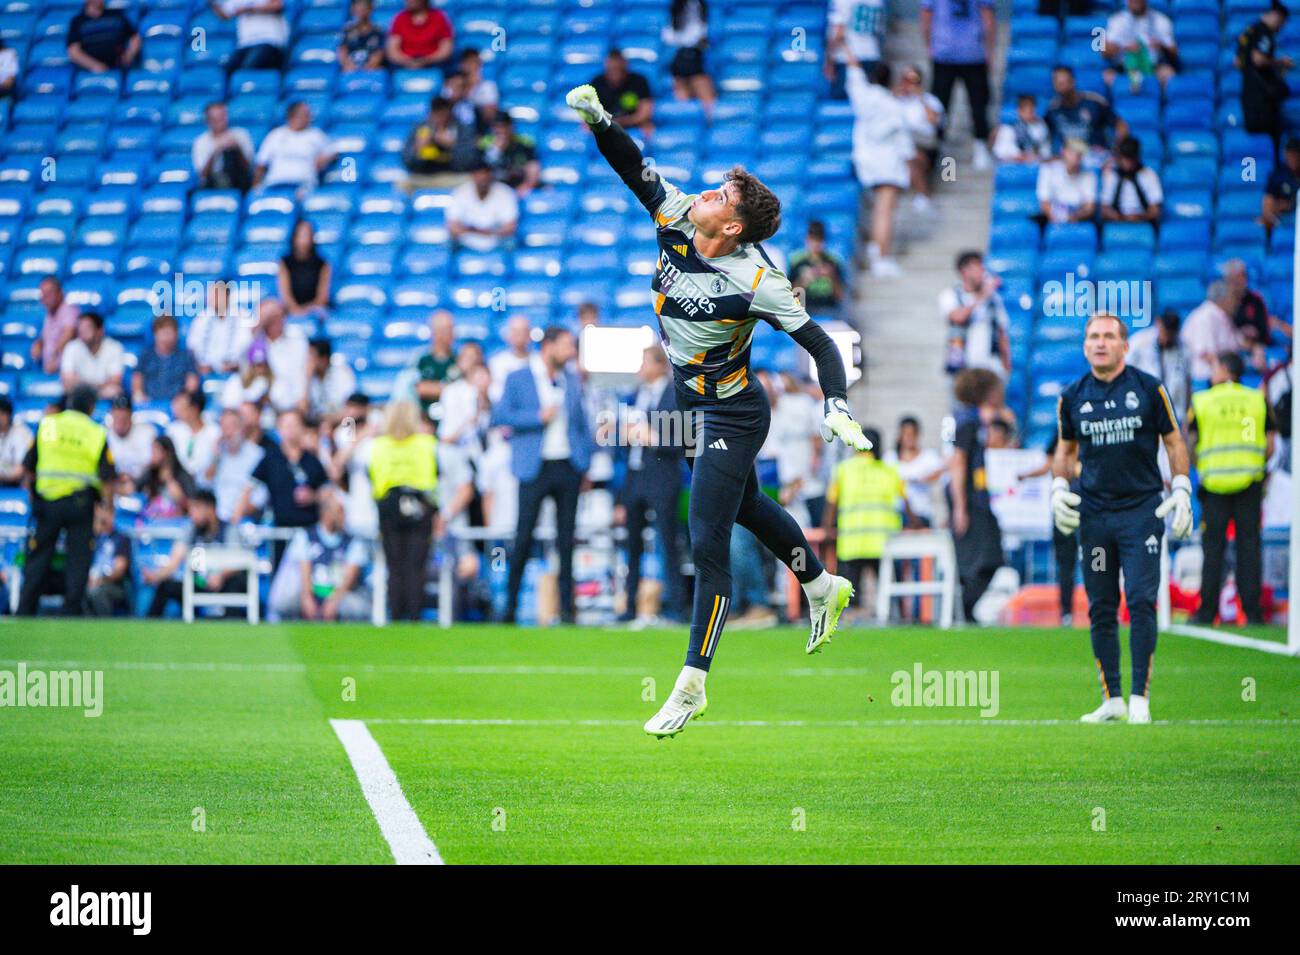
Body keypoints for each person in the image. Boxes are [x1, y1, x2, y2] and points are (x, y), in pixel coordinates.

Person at [566, 84, 870, 737]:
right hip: (685, 402)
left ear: (731, 226)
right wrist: (600, 121)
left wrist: (836, 400)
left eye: (722, 196)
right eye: (716, 187)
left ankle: (692, 682)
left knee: (708, 539)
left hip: (733, 413)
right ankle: (821, 586)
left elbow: (818, 340)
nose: (706, 192)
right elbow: (632, 164)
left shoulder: (757, 280)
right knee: (746, 507)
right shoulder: (676, 215)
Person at [1051, 313, 1193, 724]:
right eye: (1093, 336)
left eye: (1109, 336)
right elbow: (1065, 451)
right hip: (1095, 518)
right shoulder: (1072, 395)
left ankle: (1140, 700)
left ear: (1124, 346)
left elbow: (1173, 441)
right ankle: (1112, 698)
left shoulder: (1149, 390)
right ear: (1084, 345)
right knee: (1100, 606)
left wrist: (1181, 485)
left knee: (1142, 600)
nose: (1100, 343)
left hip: (1141, 513)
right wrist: (1059, 487)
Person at [492, 326, 594, 625]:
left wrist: (584, 463)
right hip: (533, 467)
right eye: (565, 345)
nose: (571, 352)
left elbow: (581, 424)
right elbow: (500, 416)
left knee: (566, 541)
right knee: (523, 537)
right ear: (548, 346)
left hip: (567, 466)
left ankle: (566, 611)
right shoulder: (518, 377)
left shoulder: (572, 379)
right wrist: (535, 418)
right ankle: (508, 609)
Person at [1186, 352, 1274, 626]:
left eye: (1214, 367)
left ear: (1225, 369)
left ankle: (1207, 611)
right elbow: (1269, 444)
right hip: (1249, 484)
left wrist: (1206, 466)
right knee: (1249, 548)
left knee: (1213, 550)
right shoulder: (1256, 400)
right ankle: (1253, 612)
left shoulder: (1203, 401)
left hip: (1214, 486)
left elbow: (1190, 443)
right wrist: (1251, 465)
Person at [18, 386, 116, 616]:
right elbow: (107, 477)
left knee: (39, 555)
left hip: (48, 501)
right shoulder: (96, 432)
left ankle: (25, 608)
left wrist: (34, 497)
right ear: (91, 407)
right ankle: (71, 610)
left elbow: (28, 467)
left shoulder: (48, 425)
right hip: (80, 503)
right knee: (78, 558)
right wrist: (107, 508)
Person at [615, 346, 686, 623]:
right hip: (634, 477)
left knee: (668, 542)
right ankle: (630, 606)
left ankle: (677, 606)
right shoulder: (634, 397)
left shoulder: (674, 396)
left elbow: (682, 441)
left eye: (644, 361)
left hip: (662, 478)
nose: (639, 368)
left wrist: (652, 437)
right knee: (631, 545)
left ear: (659, 365)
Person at [822, 426, 907, 612]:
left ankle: (852, 621)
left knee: (851, 596)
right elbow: (906, 506)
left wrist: (827, 529)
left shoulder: (843, 470)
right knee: (889, 589)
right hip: (883, 543)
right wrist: (915, 526)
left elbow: (831, 505)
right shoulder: (890, 471)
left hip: (852, 543)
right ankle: (899, 616)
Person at [369, 400, 438, 622]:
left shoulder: (379, 445)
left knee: (395, 566)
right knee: (416, 566)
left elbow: (375, 480)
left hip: (389, 506)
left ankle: (397, 615)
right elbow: (434, 478)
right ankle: (415, 616)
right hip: (420, 504)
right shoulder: (426, 443)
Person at [948, 369, 1008, 622]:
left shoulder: (976, 421)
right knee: (987, 556)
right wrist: (960, 506)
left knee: (987, 555)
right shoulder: (968, 422)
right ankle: (964, 607)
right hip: (971, 499)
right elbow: (959, 462)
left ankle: (966, 609)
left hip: (978, 497)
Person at [234, 409, 328, 569]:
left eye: (295, 425)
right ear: (279, 428)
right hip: (280, 532)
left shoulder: (312, 460)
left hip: (309, 532)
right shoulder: (271, 458)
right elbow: (250, 486)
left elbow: (327, 493)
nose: (290, 429)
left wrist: (313, 497)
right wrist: (236, 519)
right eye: (286, 425)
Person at [845, 54, 911, 277]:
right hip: (888, 163)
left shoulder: (863, 95)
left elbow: (853, 71)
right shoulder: (892, 105)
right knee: (885, 211)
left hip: (866, 162)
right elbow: (904, 142)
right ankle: (881, 258)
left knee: (878, 210)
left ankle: (875, 249)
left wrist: (846, 46)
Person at [142, 489, 244, 618]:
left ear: (211, 509)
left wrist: (221, 576)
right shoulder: (191, 530)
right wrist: (155, 576)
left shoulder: (229, 530)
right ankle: (151, 624)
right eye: (190, 509)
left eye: (196, 508)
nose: (191, 514)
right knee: (166, 586)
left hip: (224, 581)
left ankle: (230, 626)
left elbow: (239, 561)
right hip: (200, 581)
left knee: (236, 583)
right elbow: (174, 562)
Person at [274, 489, 372, 621]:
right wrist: (307, 597)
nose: (344, 517)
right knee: (283, 603)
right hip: (314, 593)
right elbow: (305, 572)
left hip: (340, 596)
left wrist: (334, 601)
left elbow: (350, 578)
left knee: (358, 608)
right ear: (326, 513)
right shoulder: (306, 536)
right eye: (340, 511)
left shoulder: (352, 542)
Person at [920, 0, 995, 170]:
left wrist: (929, 45)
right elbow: (988, 18)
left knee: (975, 103)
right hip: (958, 52)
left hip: (964, 53)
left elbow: (926, 16)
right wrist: (990, 50)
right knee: (943, 105)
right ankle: (942, 149)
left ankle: (978, 145)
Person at [940, 250, 1011, 380]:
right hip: (961, 364)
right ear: (964, 271)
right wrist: (982, 296)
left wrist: (1007, 364)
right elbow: (958, 317)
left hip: (990, 364)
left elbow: (1001, 331)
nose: (982, 271)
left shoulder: (994, 298)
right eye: (977, 267)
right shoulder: (951, 295)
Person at [1236, 1, 1293, 159]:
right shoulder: (1264, 32)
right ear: (1277, 17)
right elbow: (1258, 59)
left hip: (1249, 94)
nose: (1280, 27)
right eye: (1282, 22)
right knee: (1271, 138)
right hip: (1262, 98)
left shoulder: (1249, 30)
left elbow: (1238, 62)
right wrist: (1280, 62)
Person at [1044, 66, 1126, 161]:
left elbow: (1121, 126)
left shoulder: (1094, 102)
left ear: (1073, 81)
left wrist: (1116, 150)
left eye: (1064, 82)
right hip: (1070, 160)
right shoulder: (1053, 110)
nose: (1061, 86)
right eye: (1057, 83)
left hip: (1097, 158)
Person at [253, 102, 336, 192]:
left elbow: (333, 150)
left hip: (303, 186)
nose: (310, 117)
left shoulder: (316, 135)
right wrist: (255, 189)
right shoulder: (276, 135)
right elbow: (261, 164)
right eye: (306, 114)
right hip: (275, 185)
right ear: (292, 116)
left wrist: (326, 157)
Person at [201, 407, 265, 523]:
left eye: (233, 426)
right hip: (215, 519)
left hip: (245, 519)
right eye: (224, 427)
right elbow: (204, 485)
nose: (229, 432)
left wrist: (236, 516)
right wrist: (215, 458)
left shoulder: (257, 455)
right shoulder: (216, 453)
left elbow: (261, 496)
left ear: (242, 428)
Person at [1128, 308, 1191, 424]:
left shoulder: (1183, 348)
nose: (1167, 338)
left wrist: (1187, 411)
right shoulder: (1139, 343)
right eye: (1165, 333)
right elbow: (1125, 372)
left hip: (1174, 411)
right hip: (1144, 408)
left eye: (1171, 334)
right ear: (1158, 323)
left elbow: (1187, 382)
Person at [896, 64, 945, 213]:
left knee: (913, 156)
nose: (908, 84)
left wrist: (920, 98)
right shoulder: (893, 100)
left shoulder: (930, 100)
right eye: (906, 80)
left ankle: (923, 195)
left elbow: (935, 122)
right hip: (898, 142)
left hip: (923, 143)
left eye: (913, 81)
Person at [1102, 0, 1179, 92]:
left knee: (1168, 73)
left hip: (1153, 68)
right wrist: (1124, 47)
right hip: (1123, 68)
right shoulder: (1117, 20)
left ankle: (1163, 104)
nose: (1135, 2)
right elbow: (1105, 53)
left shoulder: (1161, 20)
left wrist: (1161, 46)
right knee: (1106, 76)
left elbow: (1174, 53)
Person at [447, 159, 520, 252]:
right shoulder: (460, 192)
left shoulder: (505, 192)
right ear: (473, 175)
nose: (482, 178)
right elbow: (453, 226)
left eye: (485, 173)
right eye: (479, 174)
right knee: (449, 244)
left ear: (491, 175)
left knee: (511, 243)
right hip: (467, 238)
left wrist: (490, 232)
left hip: (496, 238)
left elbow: (510, 227)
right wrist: (475, 231)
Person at [824, 0, 886, 100]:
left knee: (844, 103)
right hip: (872, 54)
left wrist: (829, 60)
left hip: (848, 57)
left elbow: (839, 32)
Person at [1181, 281, 1242, 381]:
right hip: (1204, 378)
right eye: (1233, 298)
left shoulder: (1223, 316)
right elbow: (1205, 353)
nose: (1237, 303)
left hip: (1223, 374)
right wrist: (1225, 374)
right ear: (1222, 299)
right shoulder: (1205, 316)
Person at [402, 96, 476, 177]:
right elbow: (408, 163)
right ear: (431, 115)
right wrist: (417, 150)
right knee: (403, 184)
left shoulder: (462, 129)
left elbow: (470, 162)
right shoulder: (420, 129)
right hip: (425, 176)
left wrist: (453, 146)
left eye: (444, 116)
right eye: (437, 116)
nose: (441, 120)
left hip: (453, 175)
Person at [1221, 259, 1274, 373]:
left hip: (1253, 346)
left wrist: (1253, 333)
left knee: (1260, 353)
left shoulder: (1256, 300)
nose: (1243, 280)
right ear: (1229, 279)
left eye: (1244, 276)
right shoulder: (1222, 302)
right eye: (1238, 277)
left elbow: (1264, 329)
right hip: (1228, 345)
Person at [663, 0, 716, 114]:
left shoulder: (690, 7)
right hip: (688, 56)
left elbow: (669, 37)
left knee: (687, 101)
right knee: (705, 101)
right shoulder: (689, 7)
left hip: (684, 57)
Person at [188, 281, 251, 377]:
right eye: (210, 294)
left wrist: (234, 364)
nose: (212, 297)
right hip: (204, 373)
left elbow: (247, 346)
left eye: (216, 293)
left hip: (236, 373)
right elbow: (192, 348)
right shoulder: (200, 319)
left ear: (227, 295)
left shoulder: (244, 317)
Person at [134, 315, 199, 405]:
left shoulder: (185, 356)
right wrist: (138, 393)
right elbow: (137, 377)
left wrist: (185, 395)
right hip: (149, 400)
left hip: (176, 403)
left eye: (170, 332)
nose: (166, 336)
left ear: (176, 333)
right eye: (163, 332)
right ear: (155, 334)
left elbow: (192, 381)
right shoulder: (146, 355)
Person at [1099, 136, 1162, 228]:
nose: (1127, 163)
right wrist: (1120, 218)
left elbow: (1156, 209)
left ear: (1137, 157)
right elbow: (1104, 209)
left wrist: (1140, 217)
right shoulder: (1111, 175)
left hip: (1143, 222)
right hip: (1117, 223)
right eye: (1125, 158)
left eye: (1130, 159)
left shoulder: (1149, 175)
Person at [60, 312, 125, 399]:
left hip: (101, 392)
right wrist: (96, 385)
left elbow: (115, 381)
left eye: (87, 328)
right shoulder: (72, 347)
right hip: (79, 394)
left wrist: (84, 384)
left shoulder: (115, 347)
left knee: (114, 390)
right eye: (80, 328)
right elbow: (67, 380)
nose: (82, 332)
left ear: (100, 331)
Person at [211, 0, 288, 73]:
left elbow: (277, 5)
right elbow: (224, 15)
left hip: (269, 40)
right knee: (226, 70)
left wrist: (249, 9)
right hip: (246, 43)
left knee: (248, 68)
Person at [192, 102, 255, 192]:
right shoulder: (201, 141)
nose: (221, 121)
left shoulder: (241, 134)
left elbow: (249, 168)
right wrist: (215, 151)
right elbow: (203, 175)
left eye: (223, 116)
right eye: (216, 118)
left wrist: (237, 148)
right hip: (213, 182)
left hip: (239, 180)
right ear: (208, 120)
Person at [590, 49, 654, 135]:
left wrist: (619, 122)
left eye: (618, 69)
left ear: (625, 65)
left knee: (648, 127)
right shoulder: (597, 83)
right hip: (606, 126)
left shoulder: (639, 81)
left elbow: (645, 112)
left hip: (634, 124)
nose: (615, 73)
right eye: (612, 69)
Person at [66, 0, 139, 74]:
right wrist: (94, 65)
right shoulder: (78, 22)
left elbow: (135, 37)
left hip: (118, 68)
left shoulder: (117, 16)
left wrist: (129, 54)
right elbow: (73, 52)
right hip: (90, 72)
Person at [85, 501, 132, 616]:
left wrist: (101, 580)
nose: (103, 518)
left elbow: (119, 569)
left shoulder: (121, 539)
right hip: (89, 581)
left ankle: (104, 625)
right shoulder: (90, 538)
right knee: (78, 590)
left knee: (97, 592)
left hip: (112, 584)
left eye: (107, 513)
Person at [1036, 138, 1097, 225]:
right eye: (1072, 152)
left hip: (1078, 219)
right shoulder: (1048, 169)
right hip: (1052, 218)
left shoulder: (1089, 175)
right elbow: (1044, 202)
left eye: (1079, 154)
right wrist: (1056, 219)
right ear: (1063, 151)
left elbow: (1089, 207)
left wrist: (1072, 218)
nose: (1076, 157)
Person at [278, 220, 331, 318]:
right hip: (290, 309)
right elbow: (285, 295)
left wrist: (305, 310)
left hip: (315, 308)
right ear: (294, 236)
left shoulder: (323, 264)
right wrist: (295, 309)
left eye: (307, 235)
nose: (304, 239)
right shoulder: (285, 263)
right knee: (272, 308)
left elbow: (322, 298)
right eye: (301, 235)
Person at [479, 114, 540, 196]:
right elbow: (481, 170)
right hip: (493, 188)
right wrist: (495, 150)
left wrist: (526, 186)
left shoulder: (523, 143)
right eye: (496, 127)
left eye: (503, 127)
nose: (500, 131)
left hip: (517, 187)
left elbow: (533, 168)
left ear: (511, 127)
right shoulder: (485, 144)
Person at [385, 0, 453, 71]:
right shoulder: (400, 18)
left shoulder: (439, 18)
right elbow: (393, 51)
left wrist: (426, 60)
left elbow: (446, 50)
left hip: (434, 67)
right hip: (404, 68)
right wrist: (408, 62)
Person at [104, 394, 154, 491]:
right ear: (112, 415)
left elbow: (151, 463)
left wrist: (135, 479)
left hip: (140, 485)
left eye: (124, 417)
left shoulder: (146, 432)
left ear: (131, 415)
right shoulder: (103, 434)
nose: (121, 421)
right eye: (117, 417)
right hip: (112, 485)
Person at [32, 276, 80, 376]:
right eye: (43, 294)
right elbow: (46, 336)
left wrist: (53, 357)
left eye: (49, 294)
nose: (45, 298)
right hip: (49, 369)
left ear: (60, 293)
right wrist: (39, 344)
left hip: (65, 371)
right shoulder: (49, 314)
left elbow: (68, 334)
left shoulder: (68, 311)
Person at [304, 338, 356, 429]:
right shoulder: (306, 375)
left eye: (312, 357)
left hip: (340, 422)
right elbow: (303, 410)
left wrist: (328, 421)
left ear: (324, 360)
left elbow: (351, 409)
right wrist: (307, 379)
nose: (308, 361)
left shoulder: (341, 373)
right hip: (314, 425)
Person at [141, 434, 196, 519]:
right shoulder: (150, 473)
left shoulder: (183, 476)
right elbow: (134, 488)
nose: (152, 455)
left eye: (155, 451)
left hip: (176, 523)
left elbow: (192, 506)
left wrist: (180, 498)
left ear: (166, 453)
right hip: (152, 521)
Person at [167, 390, 218, 478]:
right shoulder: (173, 430)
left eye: (183, 407)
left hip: (205, 483)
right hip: (179, 480)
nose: (178, 410)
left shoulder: (214, 431)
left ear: (194, 409)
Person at [992, 94, 1051, 164]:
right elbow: (999, 152)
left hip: (1035, 165)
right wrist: (1019, 157)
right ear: (1019, 110)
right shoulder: (1007, 128)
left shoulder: (1041, 127)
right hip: (1013, 167)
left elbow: (1046, 151)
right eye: (1025, 109)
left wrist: (1035, 156)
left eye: (1031, 109)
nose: (1028, 112)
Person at [1260, 137, 1300, 229]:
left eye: (1295, 154)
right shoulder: (1278, 176)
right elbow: (1268, 207)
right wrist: (1279, 207)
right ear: (1285, 154)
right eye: (1290, 154)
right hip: (1284, 221)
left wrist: (1290, 204)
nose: (1293, 158)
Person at [454, 48, 499, 127]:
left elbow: (490, 116)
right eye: (467, 62)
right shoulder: (453, 84)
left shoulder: (488, 86)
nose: (471, 66)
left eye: (474, 62)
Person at [338, 0, 385, 72]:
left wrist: (368, 67)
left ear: (371, 9)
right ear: (353, 9)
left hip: (371, 70)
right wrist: (348, 65)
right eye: (358, 6)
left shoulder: (378, 31)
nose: (361, 10)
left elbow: (379, 54)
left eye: (364, 6)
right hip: (350, 69)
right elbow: (342, 51)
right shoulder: (347, 30)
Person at [0, 397, 33, 486]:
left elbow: (21, 470)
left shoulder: (21, 432)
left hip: (17, 483)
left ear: (8, 415)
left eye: (2, 414)